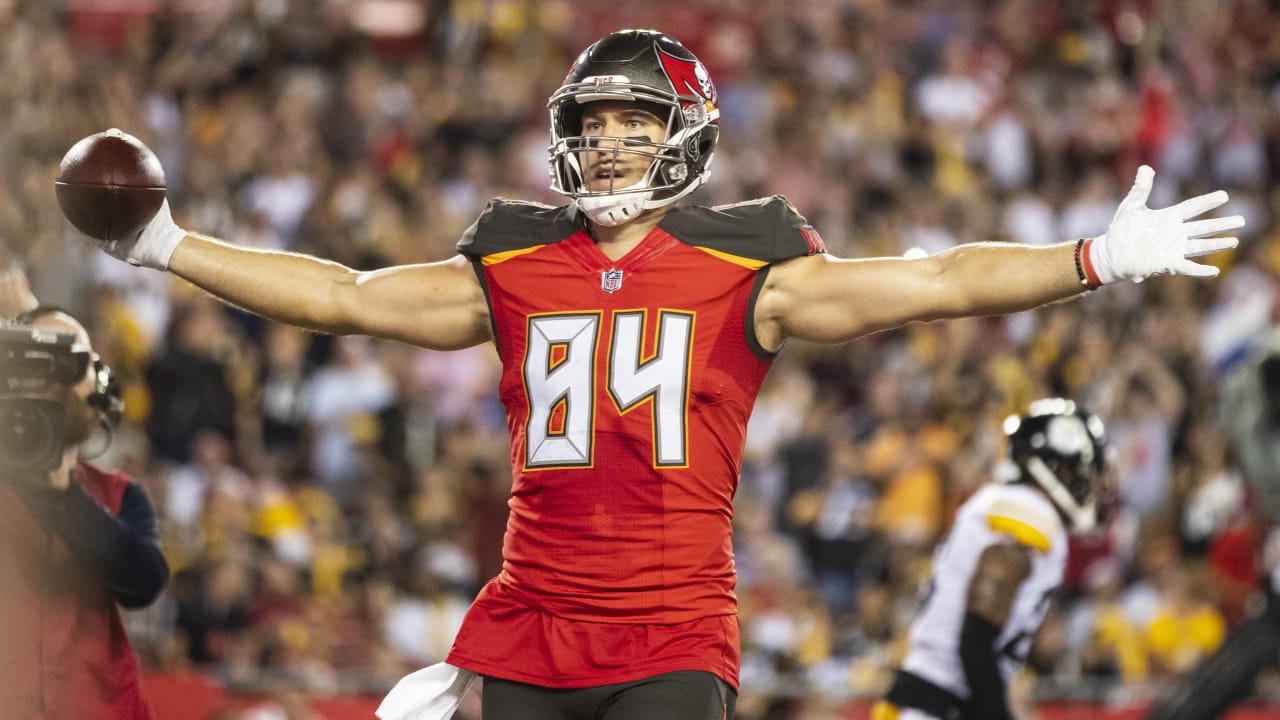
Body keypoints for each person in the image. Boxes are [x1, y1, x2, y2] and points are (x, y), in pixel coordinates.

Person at [82, 28, 1242, 720]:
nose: (605, 147)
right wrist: (168, 246)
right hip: (525, 625)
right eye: (590, 127)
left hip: (672, 632)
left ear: (684, 136)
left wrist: (1089, 259)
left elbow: (937, 278)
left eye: (632, 126)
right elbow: (342, 295)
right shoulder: (517, 261)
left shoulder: (748, 266)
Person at [0, 267, 171, 719]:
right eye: (35, 365)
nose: (52, 380)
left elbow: (144, 581)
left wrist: (60, 491)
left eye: (68, 362)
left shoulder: (119, 493)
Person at [872, 398, 1110, 720]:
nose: (1091, 483)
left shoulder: (998, 502)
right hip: (941, 706)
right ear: (1058, 465)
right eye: (1082, 468)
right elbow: (975, 639)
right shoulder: (1029, 513)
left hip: (927, 701)